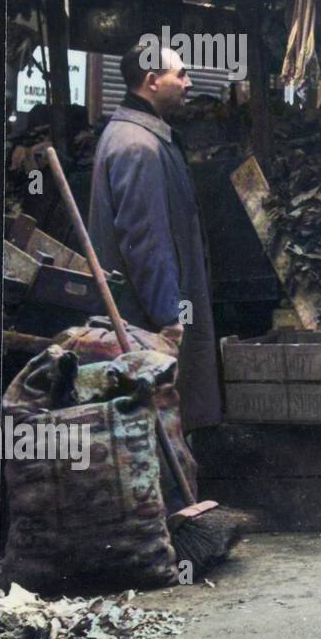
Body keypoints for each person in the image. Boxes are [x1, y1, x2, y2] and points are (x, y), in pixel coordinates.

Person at [88, 44, 221, 432]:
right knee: (160, 425)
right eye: (180, 75)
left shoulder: (140, 137)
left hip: (152, 310)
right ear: (151, 81)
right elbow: (147, 241)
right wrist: (168, 316)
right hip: (150, 319)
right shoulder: (138, 146)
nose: (189, 83)